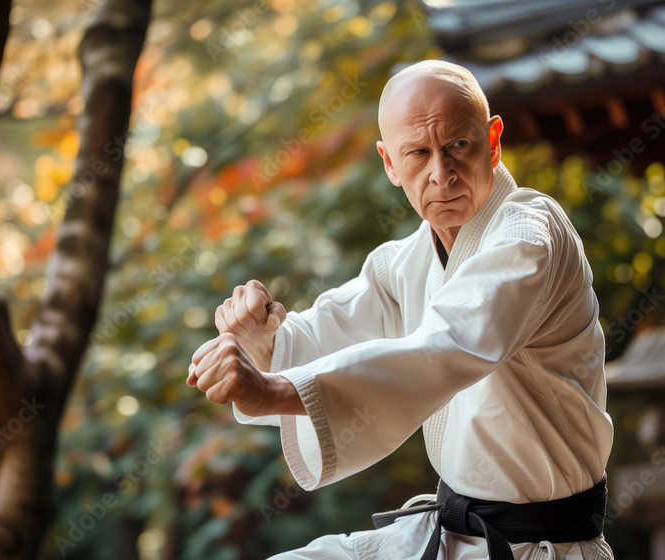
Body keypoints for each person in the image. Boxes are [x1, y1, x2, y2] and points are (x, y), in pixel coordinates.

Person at [187, 60, 614, 560]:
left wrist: (277, 390)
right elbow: (337, 328)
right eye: (418, 153)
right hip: (446, 534)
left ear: (493, 141)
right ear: (389, 163)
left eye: (459, 145)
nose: (441, 173)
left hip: (545, 549)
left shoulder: (530, 236)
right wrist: (263, 344)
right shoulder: (407, 261)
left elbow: (445, 345)